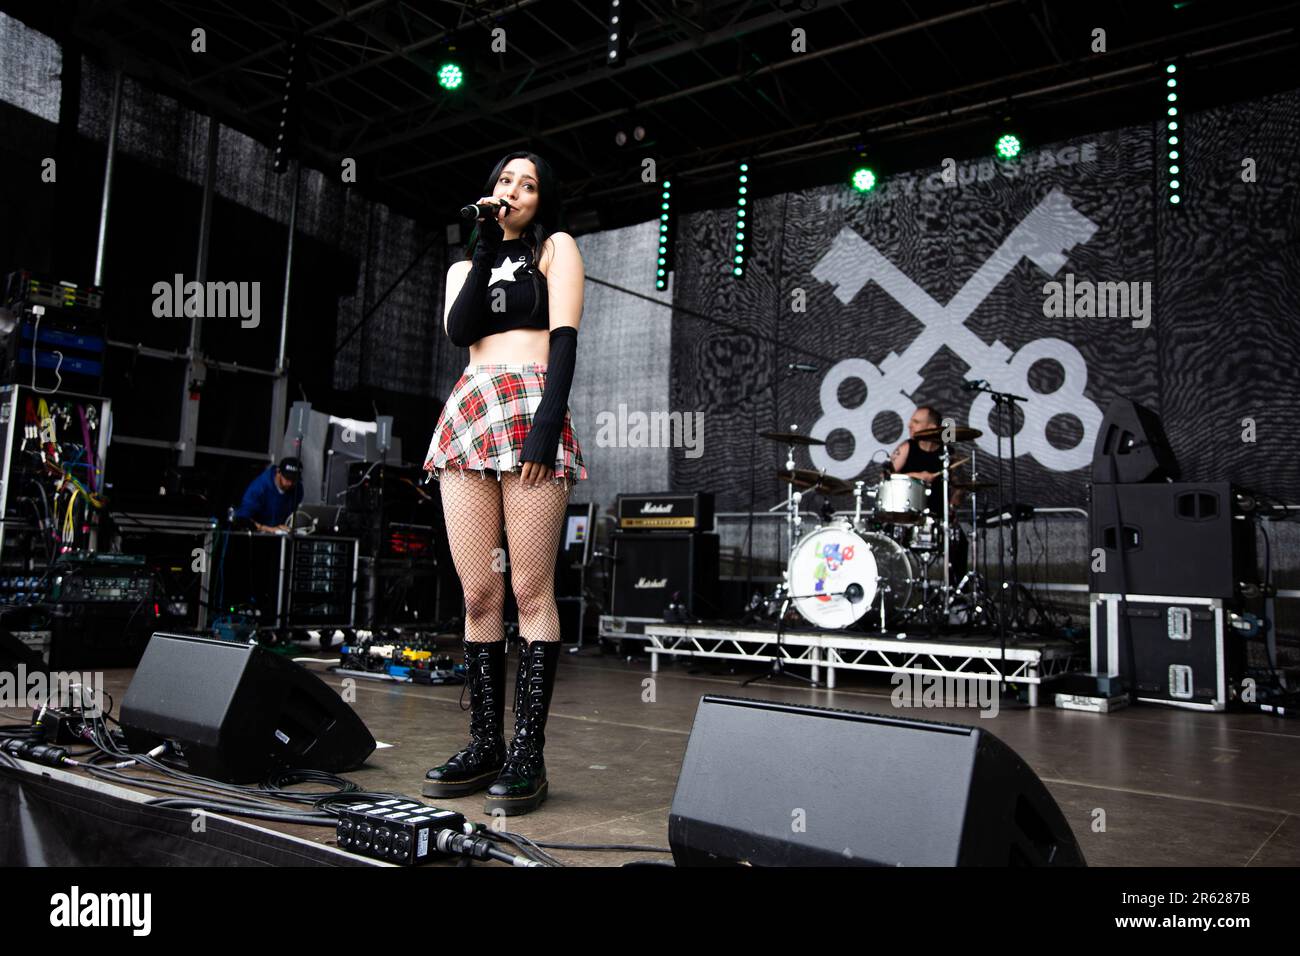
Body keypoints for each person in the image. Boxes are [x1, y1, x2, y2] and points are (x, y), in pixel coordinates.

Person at [422, 151, 587, 816]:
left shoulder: (557, 248)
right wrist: (486, 247)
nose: (513, 189)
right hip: (470, 408)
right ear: (489, 193)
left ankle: (528, 754)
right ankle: (485, 743)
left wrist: (546, 427)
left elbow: (566, 339)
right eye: (504, 181)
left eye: (528, 183)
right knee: (480, 589)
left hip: (532, 402)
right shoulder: (468, 263)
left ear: (543, 198)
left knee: (528, 588)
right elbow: (461, 331)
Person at [234, 456, 304, 533]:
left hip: (284, 534)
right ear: (278, 472)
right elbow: (243, 519)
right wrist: (271, 529)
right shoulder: (259, 487)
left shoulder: (297, 488)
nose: (290, 483)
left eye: (294, 480)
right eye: (287, 479)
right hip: (258, 535)